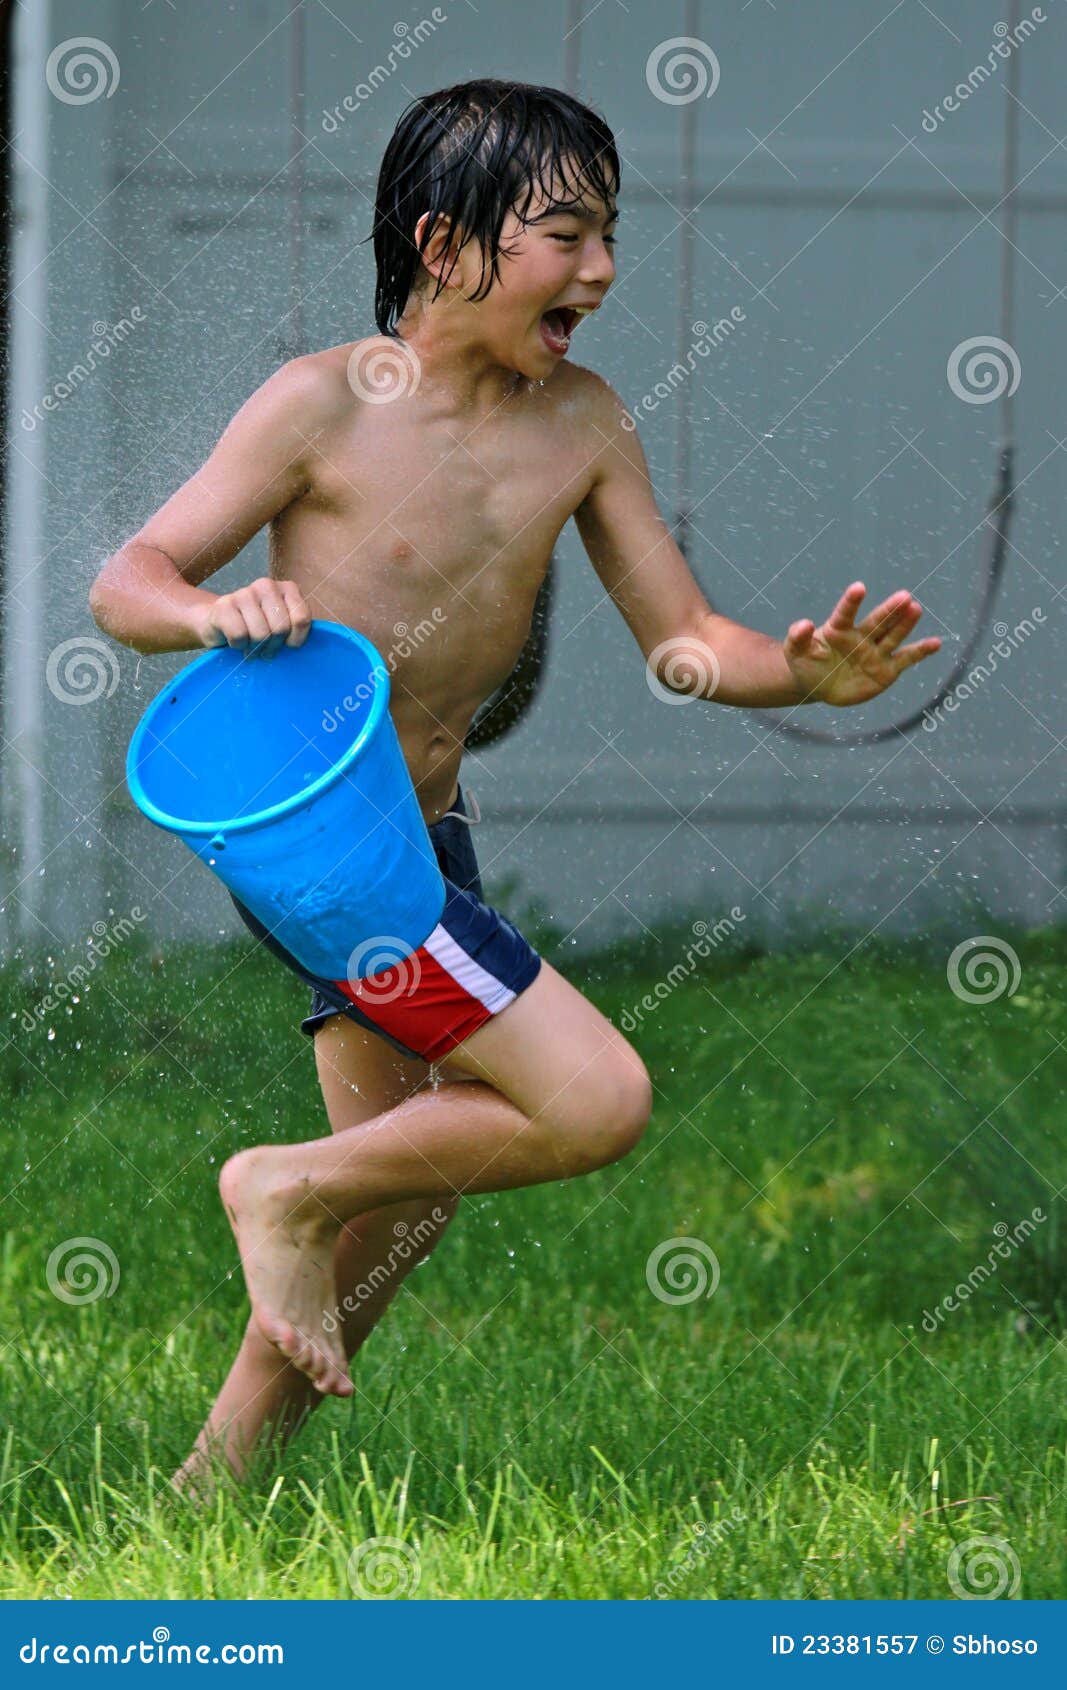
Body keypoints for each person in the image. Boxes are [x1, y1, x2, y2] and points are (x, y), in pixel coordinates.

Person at [89, 79, 940, 1497]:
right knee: (592, 1098)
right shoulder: (319, 404)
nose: (599, 271)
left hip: (428, 839)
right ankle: (276, 1184)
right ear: (443, 245)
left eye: (610, 234)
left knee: (403, 1198)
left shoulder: (588, 422)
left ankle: (206, 1501)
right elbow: (130, 579)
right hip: (336, 856)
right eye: (564, 235)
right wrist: (210, 617)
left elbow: (686, 641)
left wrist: (807, 676)